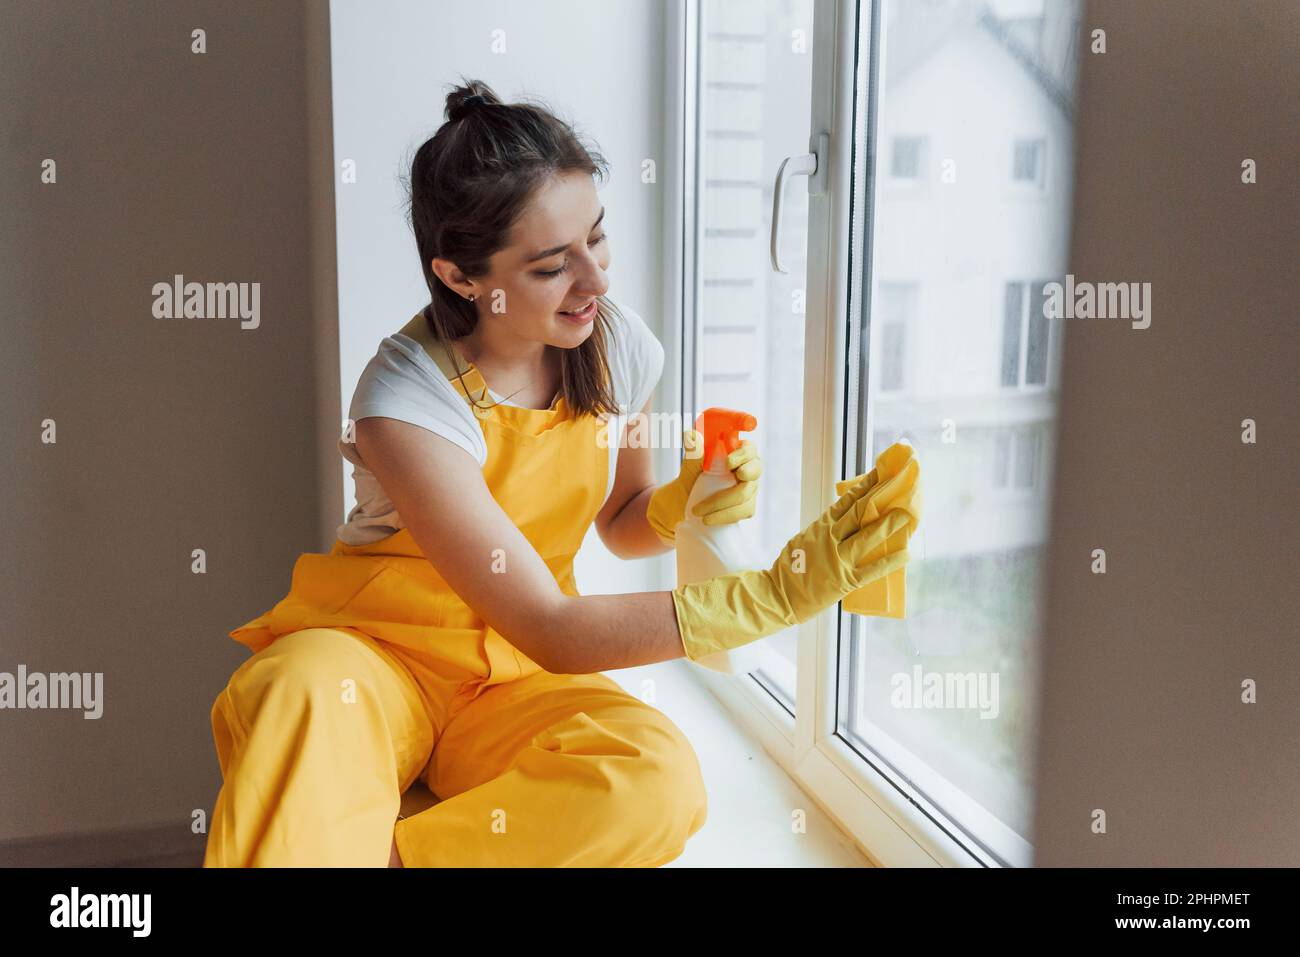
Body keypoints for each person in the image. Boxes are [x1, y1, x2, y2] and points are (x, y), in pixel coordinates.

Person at [203, 80, 909, 868]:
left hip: (512, 682)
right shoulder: (404, 397)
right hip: (381, 658)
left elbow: (622, 520)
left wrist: (680, 504)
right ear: (463, 277)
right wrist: (771, 599)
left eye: (596, 239)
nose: (596, 281)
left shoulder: (616, 345)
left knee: (656, 777)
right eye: (551, 266)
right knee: (296, 692)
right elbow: (551, 623)